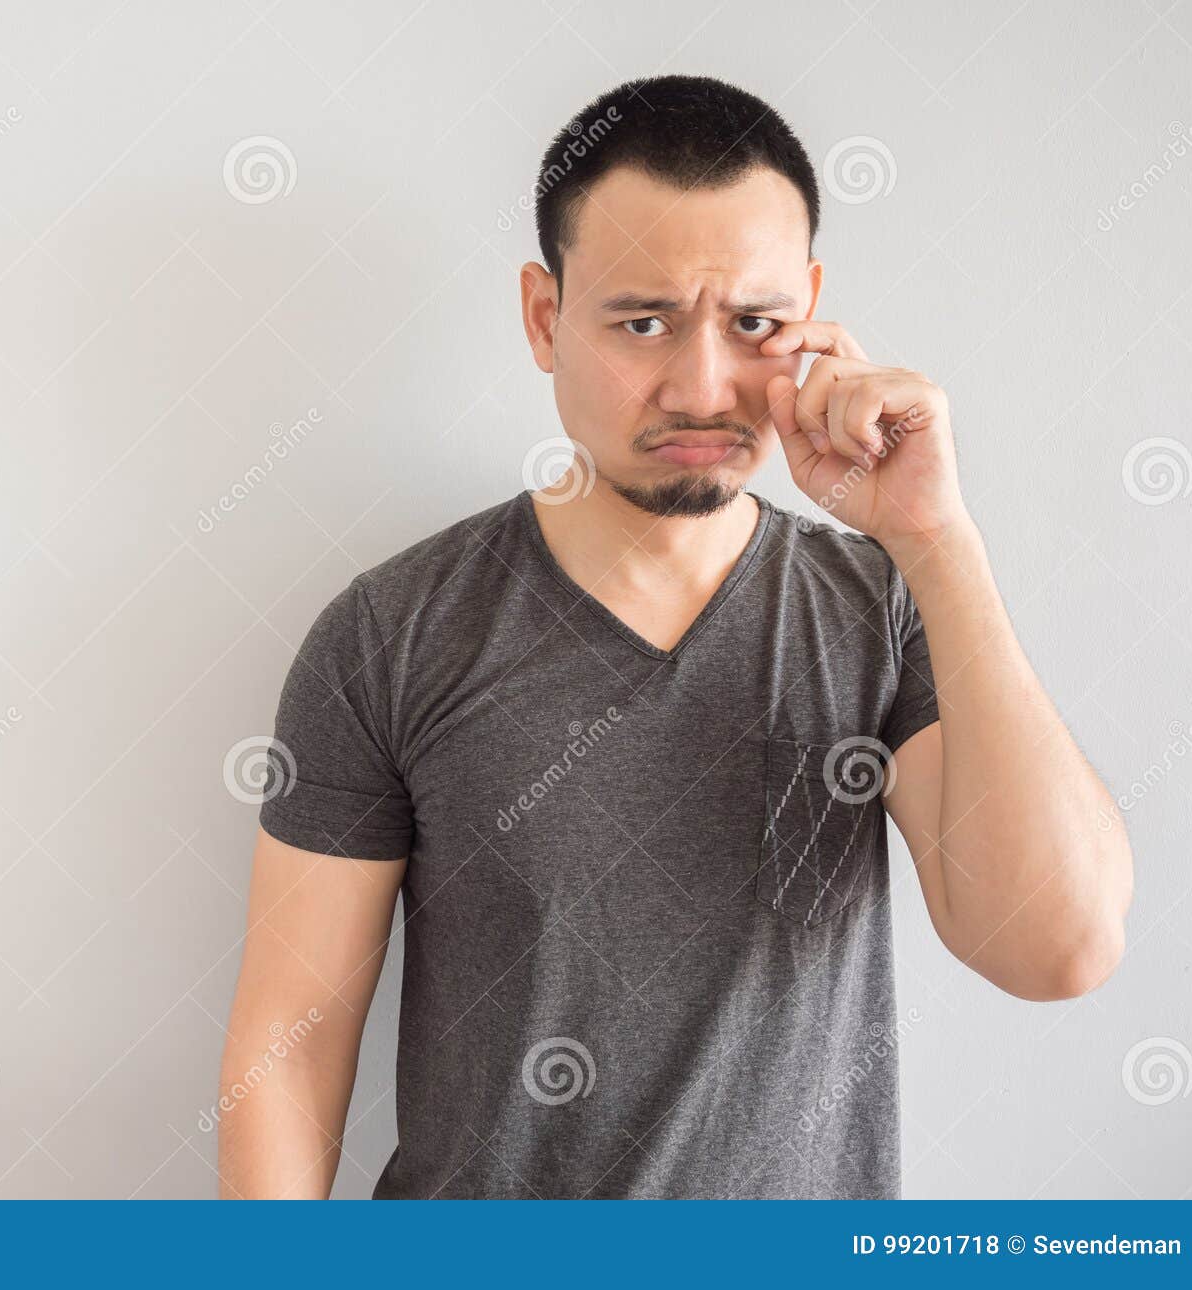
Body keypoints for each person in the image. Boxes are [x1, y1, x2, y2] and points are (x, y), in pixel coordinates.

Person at [217, 74, 1134, 1200]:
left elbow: (1057, 951)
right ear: (544, 318)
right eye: (642, 322)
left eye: (753, 325)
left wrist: (936, 541)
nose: (702, 389)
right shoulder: (392, 632)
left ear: (810, 311)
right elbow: (290, 1054)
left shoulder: (886, 606)